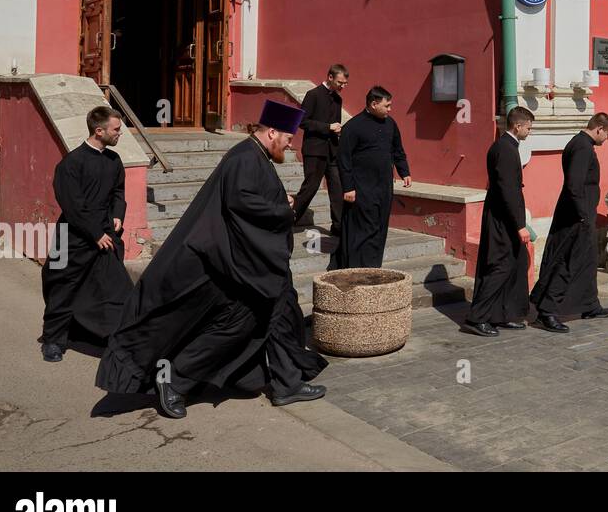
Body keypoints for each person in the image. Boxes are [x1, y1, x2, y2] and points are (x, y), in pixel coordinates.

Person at [96, 100, 327, 419]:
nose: (291, 144)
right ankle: (174, 380)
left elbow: (251, 198)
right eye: (288, 138)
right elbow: (241, 204)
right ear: (272, 132)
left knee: (281, 315)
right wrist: (283, 210)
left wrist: (278, 200)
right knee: (235, 328)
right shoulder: (245, 158)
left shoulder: (254, 156)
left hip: (253, 263)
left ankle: (287, 383)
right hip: (233, 266)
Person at [39, 106, 133, 362]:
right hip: (72, 238)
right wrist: (94, 233)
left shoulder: (114, 161)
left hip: (105, 236)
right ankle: (52, 340)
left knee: (115, 289)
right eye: (116, 129)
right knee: (62, 288)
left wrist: (117, 215)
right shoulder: (71, 163)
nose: (120, 134)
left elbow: (118, 193)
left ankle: (117, 339)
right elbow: (72, 205)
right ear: (98, 130)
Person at [530, 113, 608, 332]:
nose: (607, 139)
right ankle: (547, 311)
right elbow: (574, 186)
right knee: (568, 263)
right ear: (599, 128)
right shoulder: (582, 148)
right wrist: (583, 216)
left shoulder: (579, 143)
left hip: (582, 214)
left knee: (587, 261)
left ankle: (590, 305)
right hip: (577, 217)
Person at [463, 107, 534, 337]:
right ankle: (478, 317)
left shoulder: (507, 147)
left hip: (505, 217)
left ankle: (504, 314)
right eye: (528, 128)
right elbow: (507, 191)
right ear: (518, 126)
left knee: (517, 264)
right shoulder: (505, 150)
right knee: (500, 266)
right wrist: (519, 225)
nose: (529, 132)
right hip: (503, 220)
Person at [331, 85, 411, 270]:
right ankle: (357, 268)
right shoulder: (353, 126)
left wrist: (404, 171)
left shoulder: (391, 124)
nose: (390, 109)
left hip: (383, 187)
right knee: (363, 230)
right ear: (374, 104)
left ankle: (374, 267)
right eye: (387, 105)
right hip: (361, 188)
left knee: (379, 228)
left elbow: (398, 150)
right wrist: (348, 187)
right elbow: (343, 160)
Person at [292, 64, 349, 233]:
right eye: (340, 82)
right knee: (311, 187)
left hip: (333, 150)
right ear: (330, 77)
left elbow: (335, 124)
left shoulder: (338, 99)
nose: (343, 86)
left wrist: (338, 131)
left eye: (345, 83)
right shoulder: (313, 95)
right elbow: (302, 121)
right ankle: (290, 218)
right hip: (314, 150)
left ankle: (338, 227)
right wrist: (328, 127)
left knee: (337, 189)